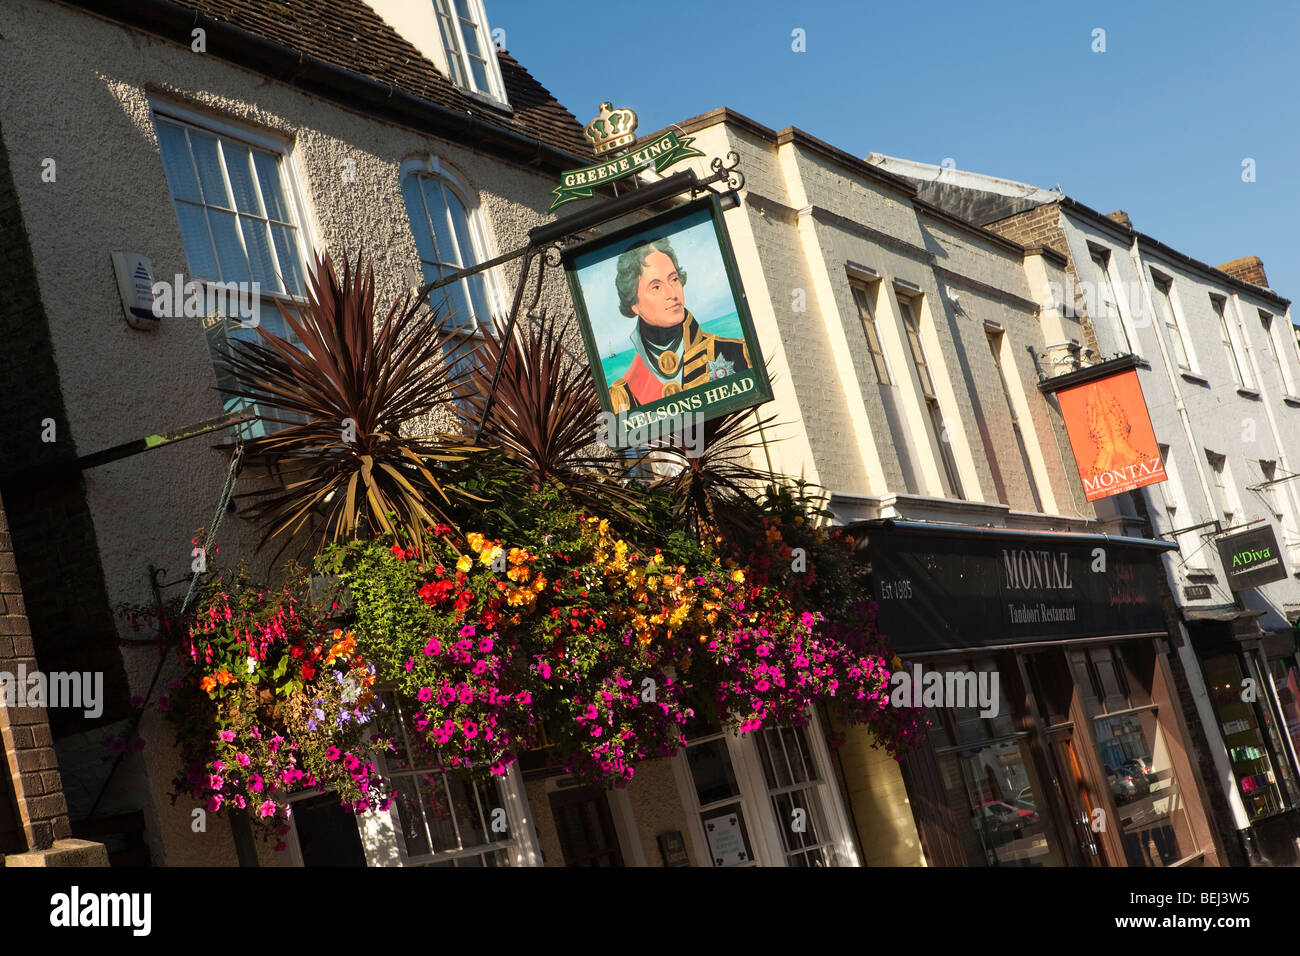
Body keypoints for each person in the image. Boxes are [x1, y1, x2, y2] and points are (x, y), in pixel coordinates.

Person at [606, 237, 749, 413]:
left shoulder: (736, 352)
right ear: (633, 303)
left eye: (674, 279)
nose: (672, 293)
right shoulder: (623, 396)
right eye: (656, 287)